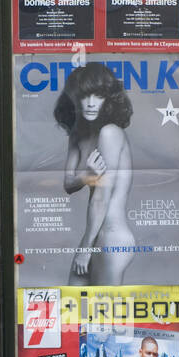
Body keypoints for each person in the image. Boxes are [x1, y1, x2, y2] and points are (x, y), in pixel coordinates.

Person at [54, 62, 136, 285]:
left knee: (108, 314)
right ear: (75, 99)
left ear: (108, 99)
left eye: (98, 96)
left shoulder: (111, 133)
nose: (90, 104)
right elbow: (68, 184)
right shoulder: (77, 135)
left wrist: (84, 248)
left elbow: (101, 196)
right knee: (74, 309)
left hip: (111, 236)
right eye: (84, 96)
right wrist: (87, 174)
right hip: (93, 234)